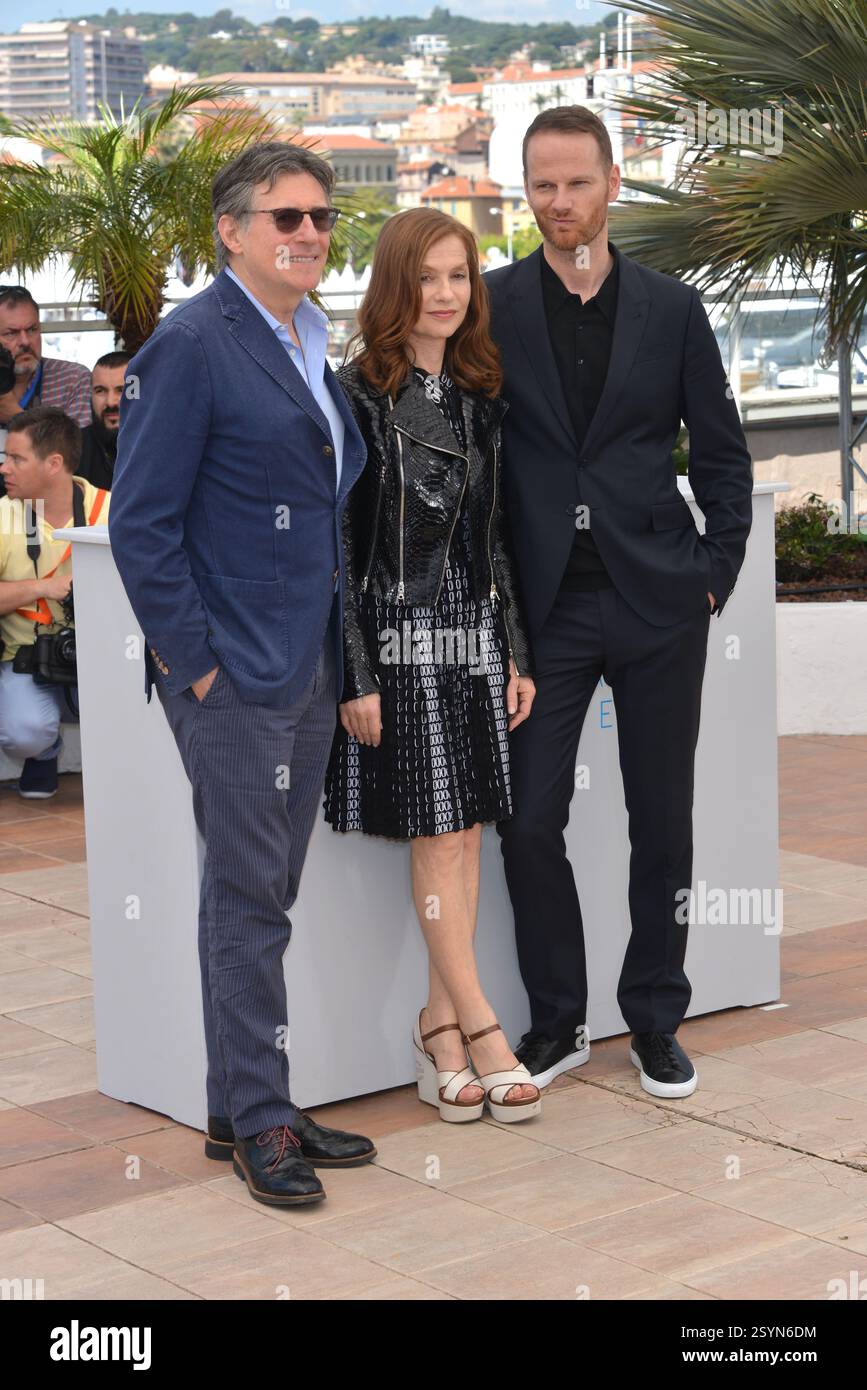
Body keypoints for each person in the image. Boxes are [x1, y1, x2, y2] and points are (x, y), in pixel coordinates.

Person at [107, 141, 376, 1208]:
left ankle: (242, 1101)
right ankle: (262, 1121)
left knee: (264, 890)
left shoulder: (308, 335)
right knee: (249, 896)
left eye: (319, 216)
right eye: (285, 217)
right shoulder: (191, 343)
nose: (309, 232)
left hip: (304, 662)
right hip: (236, 679)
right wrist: (198, 669)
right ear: (230, 230)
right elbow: (141, 523)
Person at [484, 106, 753, 1099]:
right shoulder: (491, 303)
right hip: (542, 610)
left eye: (577, 183)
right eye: (543, 186)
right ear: (527, 192)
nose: (560, 203)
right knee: (526, 820)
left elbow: (724, 460)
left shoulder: (672, 311)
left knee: (664, 822)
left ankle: (655, 1018)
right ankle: (558, 1021)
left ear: (612, 183)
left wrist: (712, 577)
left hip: (656, 601)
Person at [323, 207, 541, 1124]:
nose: (446, 295)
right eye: (429, 278)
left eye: (460, 277)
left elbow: (491, 542)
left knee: (468, 833)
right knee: (436, 832)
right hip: (397, 636)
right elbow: (335, 547)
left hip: (471, 640)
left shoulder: (481, 395)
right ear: (394, 286)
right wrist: (355, 673)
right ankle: (481, 1027)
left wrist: (514, 651)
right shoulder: (356, 396)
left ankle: (436, 1029)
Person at [0, 407, 109, 798]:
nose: (4, 469)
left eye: (16, 459)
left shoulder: (113, 510)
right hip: (27, 659)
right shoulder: (3, 516)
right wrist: (43, 588)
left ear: (54, 464)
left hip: (106, 656)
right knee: (23, 732)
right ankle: (43, 752)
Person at [0, 286, 92, 501]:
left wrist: (14, 415)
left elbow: (75, 464)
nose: (25, 341)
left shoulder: (73, 379)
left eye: (32, 329)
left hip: (49, 513)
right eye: (11, 333)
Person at [78, 352, 132, 488]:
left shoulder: (163, 448)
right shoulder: (70, 448)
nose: (110, 402)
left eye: (121, 390)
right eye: (100, 391)